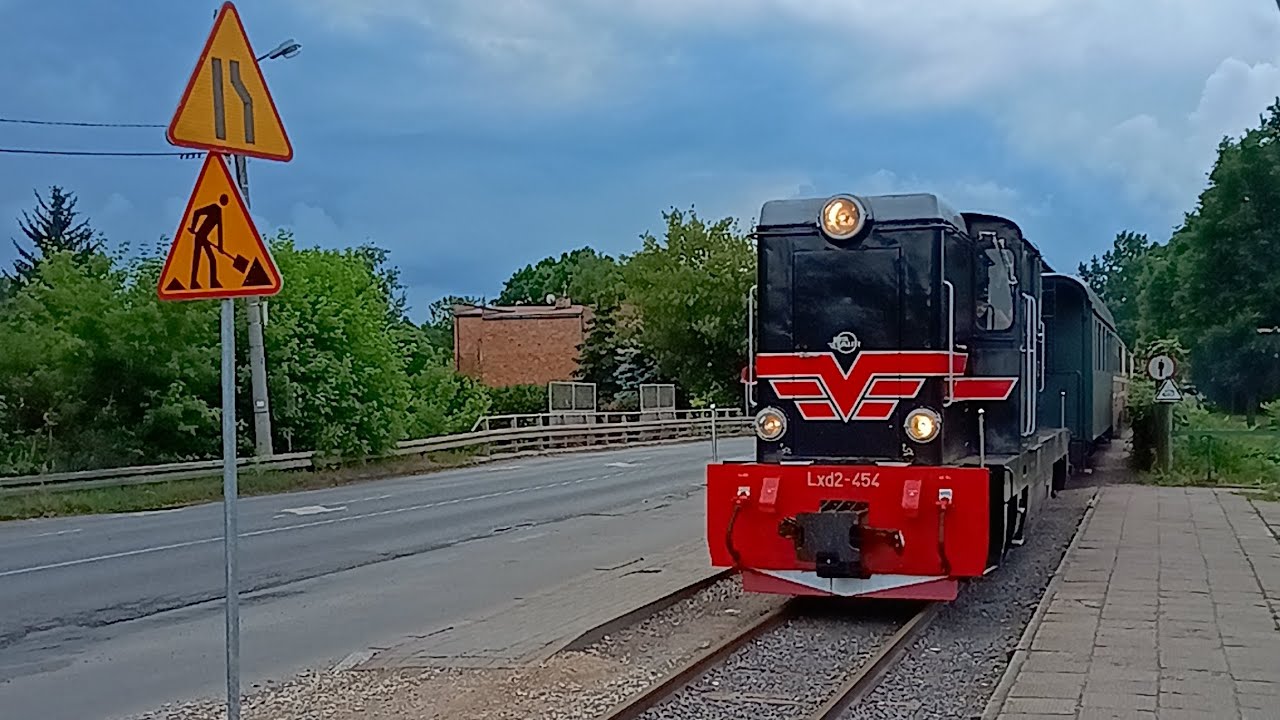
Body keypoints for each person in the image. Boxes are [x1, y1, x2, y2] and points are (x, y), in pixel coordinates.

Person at [188, 194, 229, 289]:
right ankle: (193, 282)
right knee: (197, 258)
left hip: (204, 238)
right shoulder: (213, 208)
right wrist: (193, 227)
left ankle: (212, 282)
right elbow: (197, 212)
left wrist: (220, 247)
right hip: (199, 237)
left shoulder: (219, 213)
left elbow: (220, 231)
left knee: (212, 259)